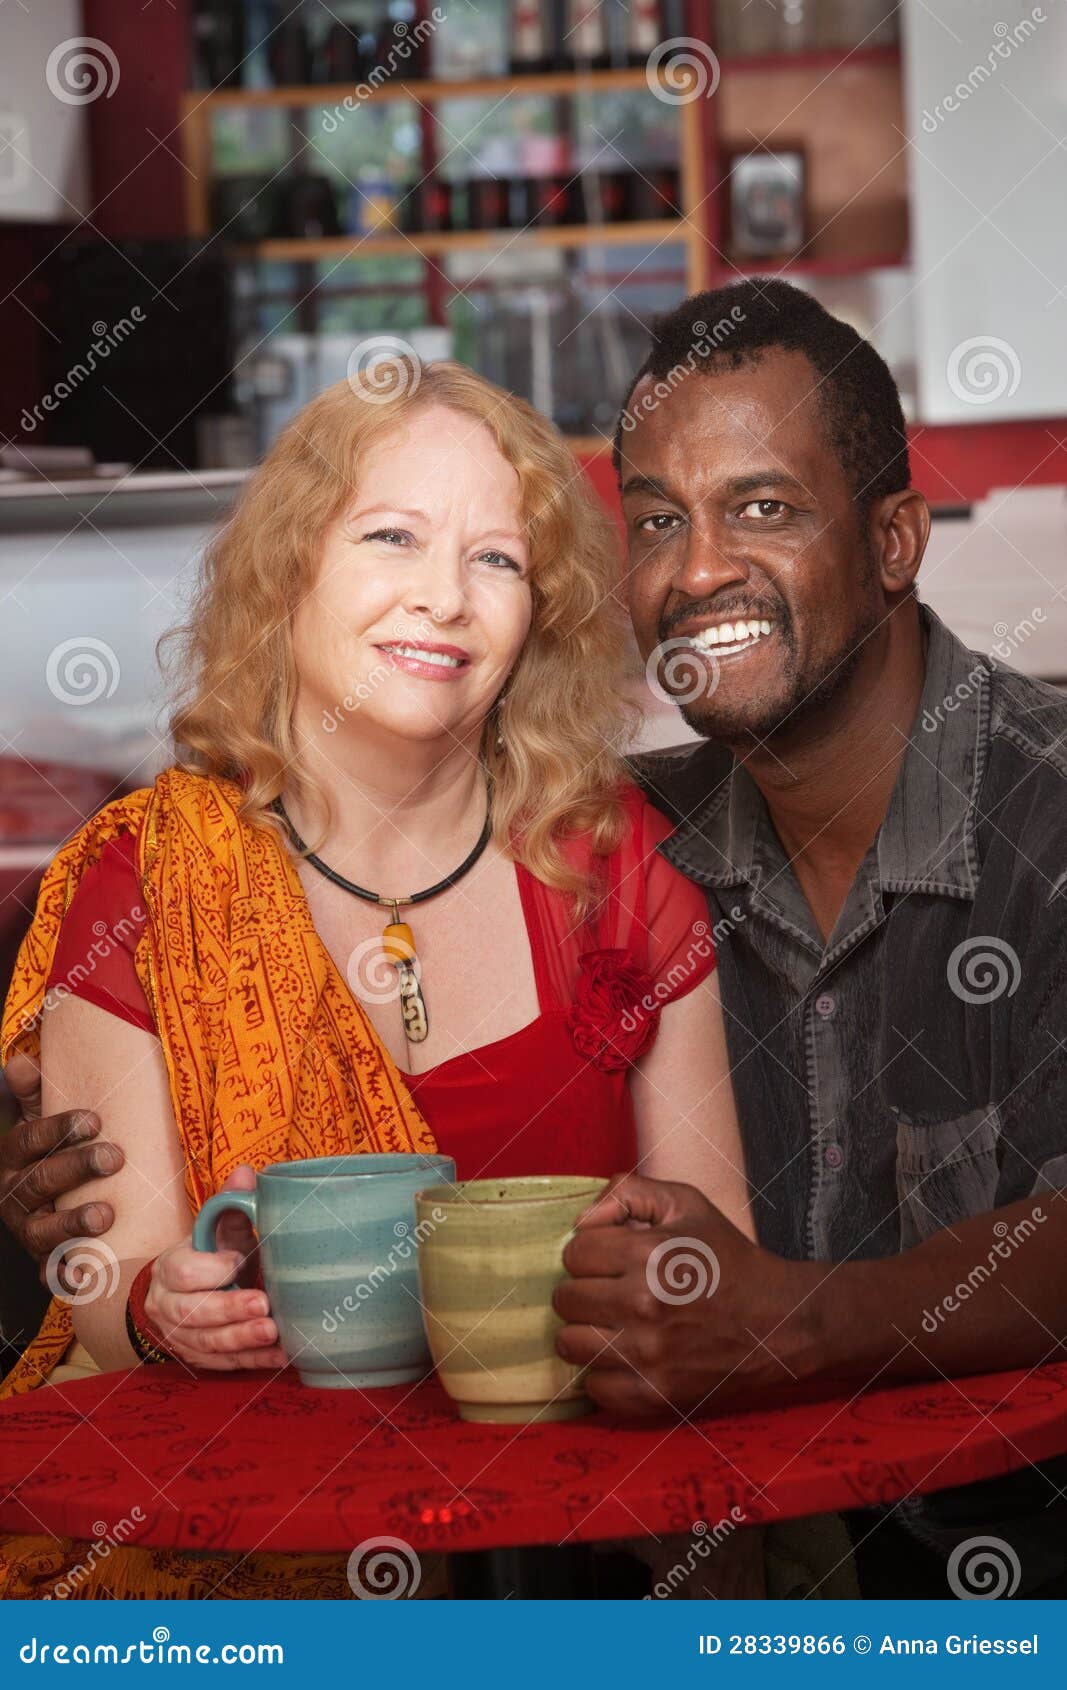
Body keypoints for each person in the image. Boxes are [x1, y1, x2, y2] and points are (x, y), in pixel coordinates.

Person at [0, 359, 749, 1599]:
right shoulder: (145, 876)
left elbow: (717, 1262)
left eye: (496, 559)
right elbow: (104, 1285)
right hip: (242, 1544)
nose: (444, 597)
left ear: (540, 613)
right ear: (290, 567)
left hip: (563, 1545)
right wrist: (159, 1309)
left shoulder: (618, 869)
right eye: (390, 536)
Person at [550, 279, 1067, 1598]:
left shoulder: (1049, 814)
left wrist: (789, 1325)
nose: (695, 570)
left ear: (892, 540)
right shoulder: (617, 846)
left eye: (761, 508)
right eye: (656, 520)